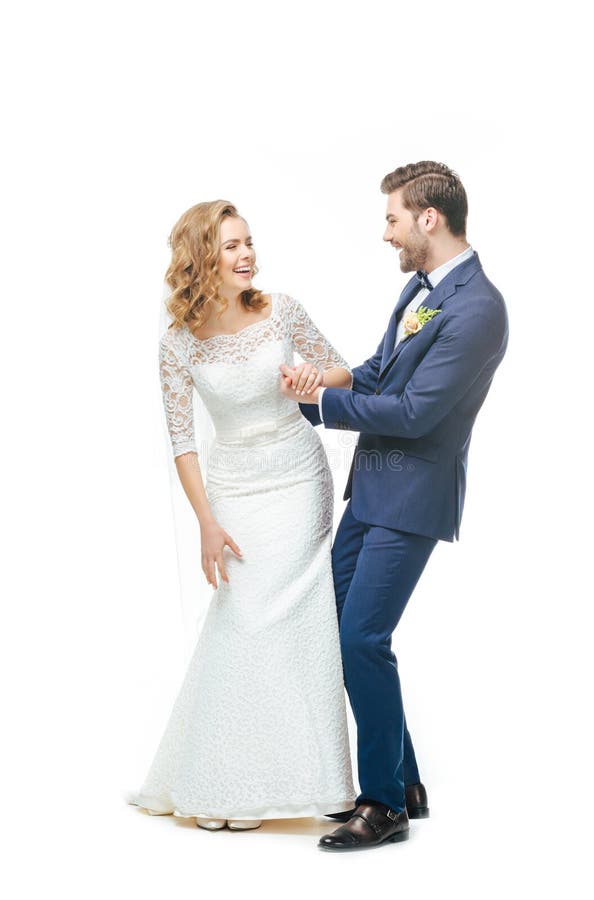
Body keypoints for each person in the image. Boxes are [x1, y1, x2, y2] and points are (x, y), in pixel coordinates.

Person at [285, 160, 509, 850]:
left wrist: (319, 404)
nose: (385, 233)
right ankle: (405, 778)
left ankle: (381, 804)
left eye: (391, 218)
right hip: (372, 488)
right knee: (336, 629)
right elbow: (384, 370)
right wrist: (328, 375)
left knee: (361, 639)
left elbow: (414, 413)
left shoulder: (477, 306)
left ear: (427, 219)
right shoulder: (422, 286)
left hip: (412, 496)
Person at [126, 200, 356, 831]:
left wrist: (310, 378)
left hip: (298, 479)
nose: (247, 254)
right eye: (231, 246)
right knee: (242, 620)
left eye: (249, 242)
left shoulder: (282, 309)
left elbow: (343, 373)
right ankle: (226, 779)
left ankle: (319, 782)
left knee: (300, 623)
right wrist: (205, 519)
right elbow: (181, 439)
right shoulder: (175, 344)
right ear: (202, 258)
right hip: (232, 490)